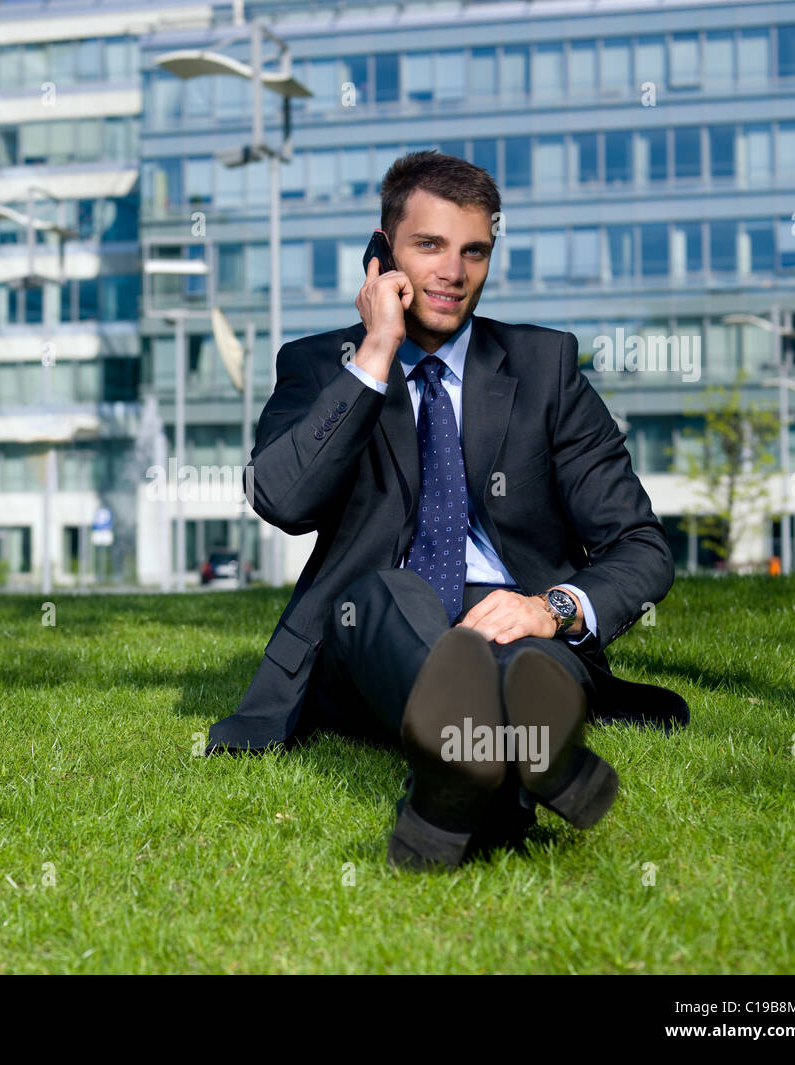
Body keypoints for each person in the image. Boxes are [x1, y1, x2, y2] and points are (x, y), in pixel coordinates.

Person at [205, 151, 689, 870]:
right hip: (370, 626)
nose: (452, 273)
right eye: (428, 245)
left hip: (514, 621)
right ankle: (534, 755)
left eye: (474, 251)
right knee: (388, 594)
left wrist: (550, 606)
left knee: (527, 662)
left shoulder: (545, 367)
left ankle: (461, 786)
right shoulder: (318, 366)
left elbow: (641, 544)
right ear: (382, 253)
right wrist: (374, 354)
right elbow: (281, 497)